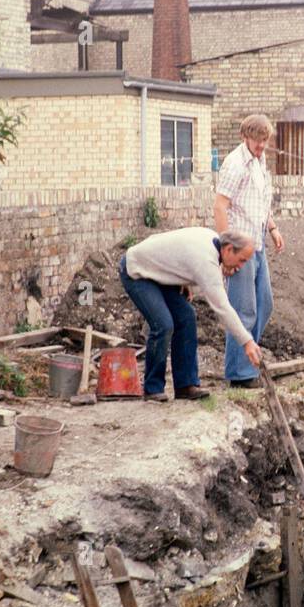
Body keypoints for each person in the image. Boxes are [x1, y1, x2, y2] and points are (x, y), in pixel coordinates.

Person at [119, 227, 262, 402]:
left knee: (186, 317)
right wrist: (247, 342)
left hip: (158, 274)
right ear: (229, 249)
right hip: (137, 270)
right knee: (163, 324)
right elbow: (222, 307)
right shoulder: (206, 260)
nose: (240, 267)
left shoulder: (212, 241)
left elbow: (178, 253)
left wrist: (183, 279)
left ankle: (185, 385)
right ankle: (153, 388)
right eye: (241, 260)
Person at [215, 114, 284, 389]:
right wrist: (226, 248)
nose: (261, 146)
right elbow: (220, 206)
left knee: (264, 304)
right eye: (258, 140)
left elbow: (259, 202)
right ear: (246, 137)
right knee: (243, 310)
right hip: (239, 247)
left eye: (265, 140)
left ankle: (248, 362)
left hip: (257, 244)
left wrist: (273, 227)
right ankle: (240, 374)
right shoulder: (235, 164)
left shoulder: (259, 161)